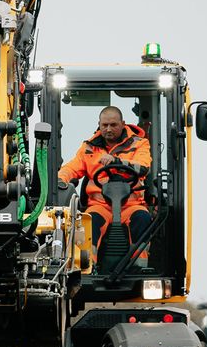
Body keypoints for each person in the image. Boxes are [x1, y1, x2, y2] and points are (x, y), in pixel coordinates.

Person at [57, 105, 152, 253]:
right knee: (86, 225)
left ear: (123, 124)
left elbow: (143, 167)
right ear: (99, 125)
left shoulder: (139, 144)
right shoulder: (88, 148)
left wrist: (116, 162)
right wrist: (61, 179)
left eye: (113, 125)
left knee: (143, 219)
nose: (108, 129)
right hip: (100, 206)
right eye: (105, 125)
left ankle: (139, 268)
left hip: (131, 205)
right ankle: (87, 269)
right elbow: (71, 168)